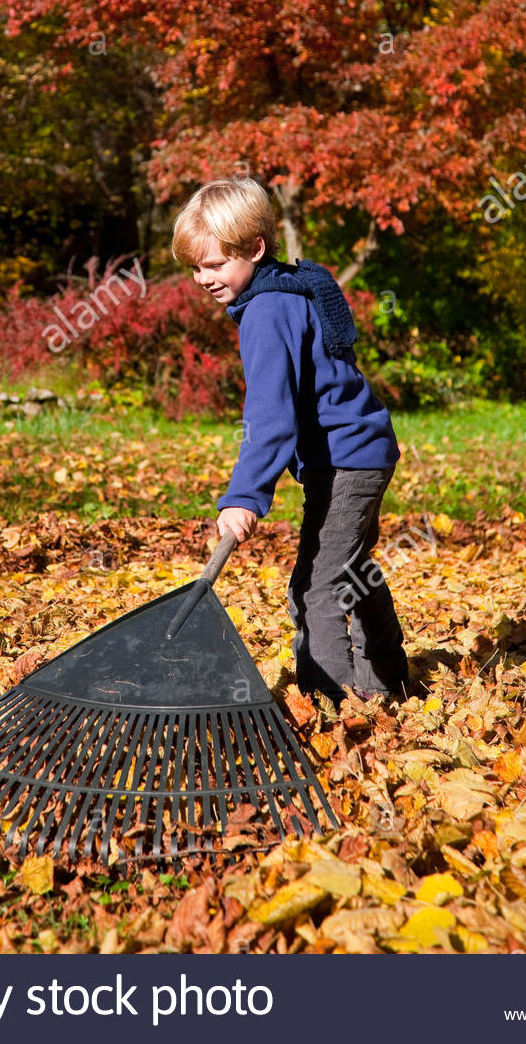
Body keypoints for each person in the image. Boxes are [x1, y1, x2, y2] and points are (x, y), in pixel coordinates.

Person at [171, 176, 410, 711]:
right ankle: (385, 681)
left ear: (254, 249)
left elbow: (270, 416)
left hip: (347, 460)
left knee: (315, 589)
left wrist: (243, 497)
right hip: (363, 450)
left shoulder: (266, 311)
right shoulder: (288, 287)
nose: (202, 278)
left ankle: (331, 705)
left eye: (214, 264)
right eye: (195, 267)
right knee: (351, 568)